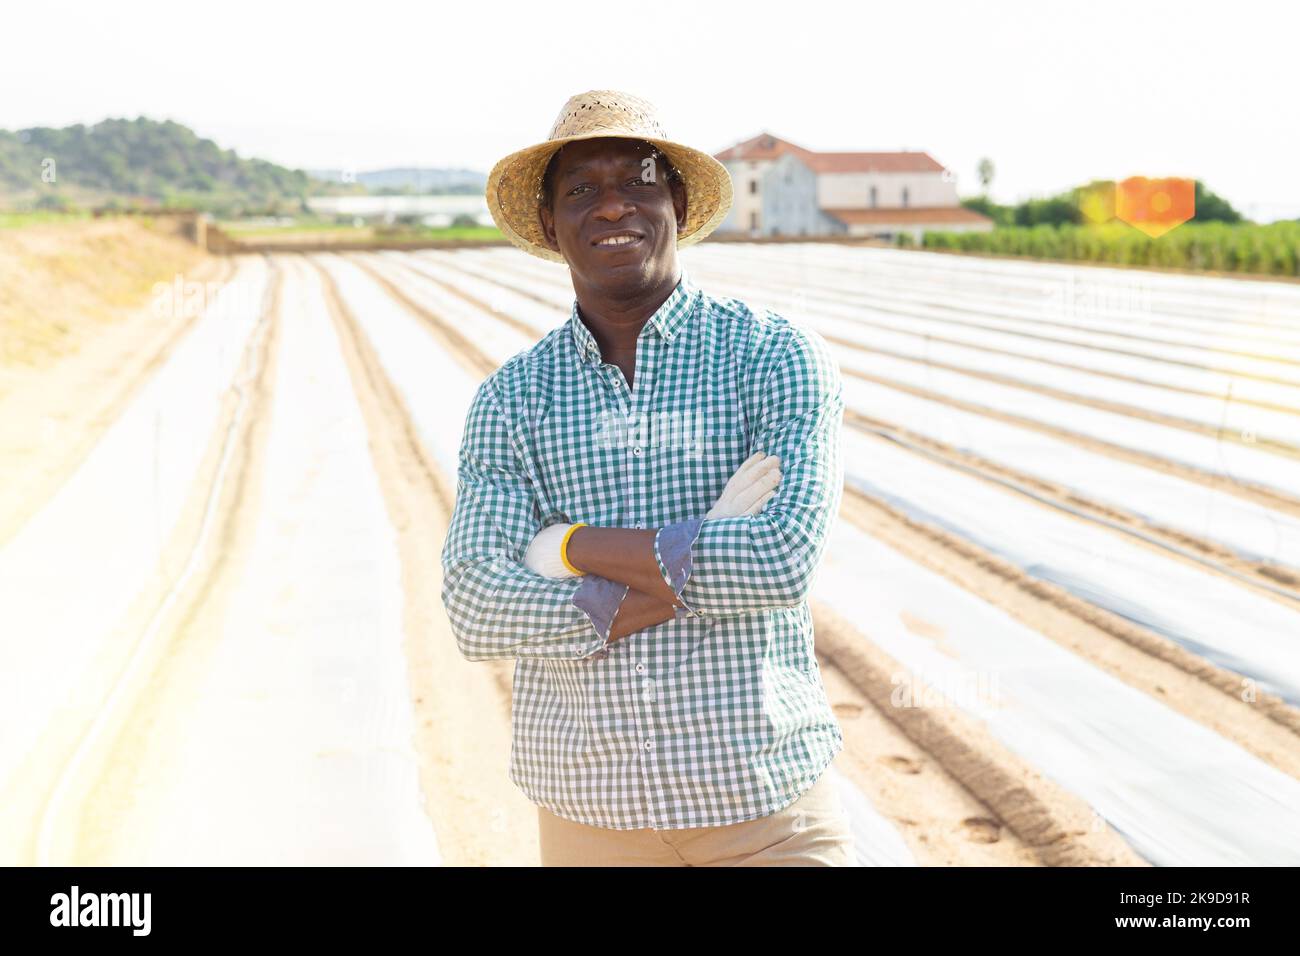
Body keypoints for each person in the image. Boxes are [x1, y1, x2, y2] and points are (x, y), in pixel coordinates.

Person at [441, 90, 854, 866]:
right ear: (551, 224)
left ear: (678, 199)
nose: (611, 206)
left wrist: (566, 546)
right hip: (590, 821)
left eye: (638, 180)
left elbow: (781, 561)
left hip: (766, 809)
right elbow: (475, 607)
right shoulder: (512, 398)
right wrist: (701, 547)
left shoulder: (774, 356)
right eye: (581, 190)